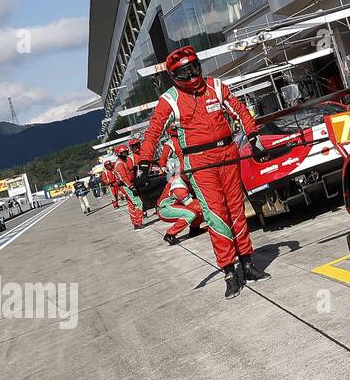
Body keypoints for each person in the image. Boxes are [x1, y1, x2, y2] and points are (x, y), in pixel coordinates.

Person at [138, 47, 271, 299]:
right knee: (215, 214)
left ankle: (247, 262)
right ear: (174, 76)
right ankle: (229, 271)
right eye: (184, 72)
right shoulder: (169, 100)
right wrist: (144, 164)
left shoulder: (216, 86)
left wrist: (254, 139)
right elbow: (153, 132)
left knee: (236, 210)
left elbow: (241, 111)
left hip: (228, 153)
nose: (191, 76)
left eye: (193, 68)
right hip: (199, 163)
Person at [155, 129, 203, 246]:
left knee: (200, 206)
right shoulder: (178, 184)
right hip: (165, 208)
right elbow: (192, 204)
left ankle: (194, 229)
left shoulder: (185, 138)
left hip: (186, 166)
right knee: (193, 211)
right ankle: (170, 234)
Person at [111, 144, 146, 230]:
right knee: (138, 203)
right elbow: (124, 178)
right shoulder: (120, 164)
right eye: (123, 153)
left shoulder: (123, 161)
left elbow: (128, 171)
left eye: (126, 152)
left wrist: (133, 169)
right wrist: (131, 187)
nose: (126, 154)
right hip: (127, 186)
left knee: (131, 204)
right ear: (119, 154)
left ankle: (135, 223)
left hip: (127, 185)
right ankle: (138, 222)